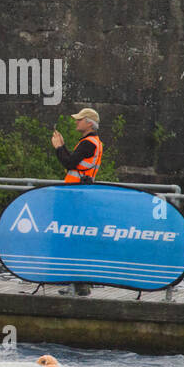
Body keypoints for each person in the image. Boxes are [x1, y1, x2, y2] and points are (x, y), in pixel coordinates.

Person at [53, 107, 104, 295]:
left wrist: (58, 147)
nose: (76, 122)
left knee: (72, 238)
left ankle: (78, 283)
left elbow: (68, 163)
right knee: (76, 238)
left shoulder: (88, 143)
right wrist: (63, 146)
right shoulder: (91, 142)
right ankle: (79, 284)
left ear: (89, 123)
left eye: (79, 120)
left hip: (77, 195)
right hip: (80, 193)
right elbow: (74, 162)